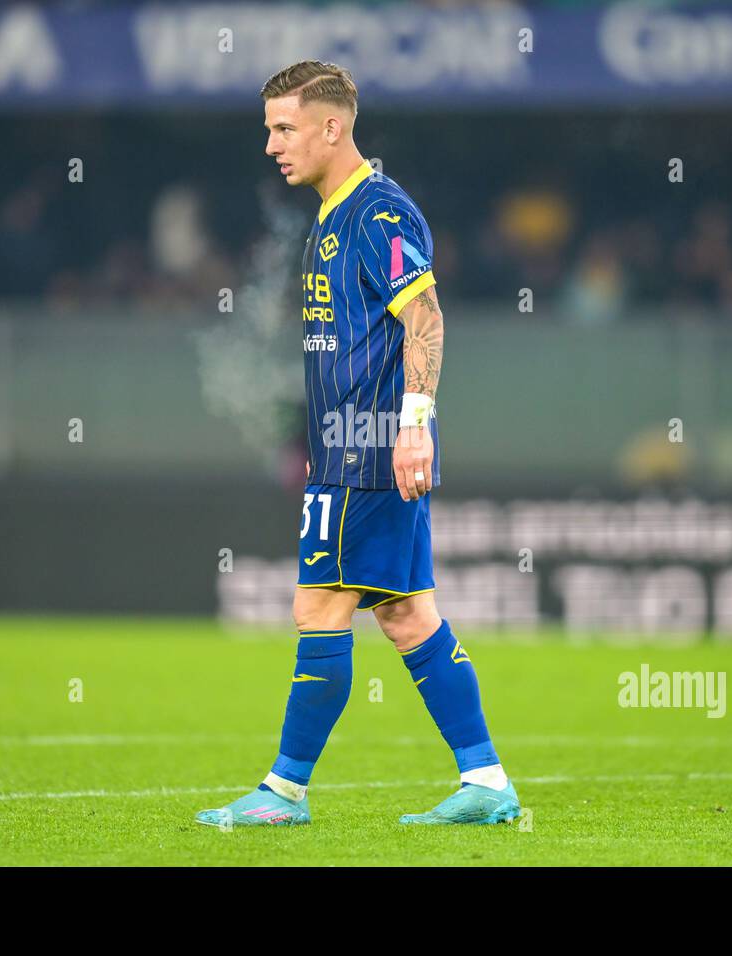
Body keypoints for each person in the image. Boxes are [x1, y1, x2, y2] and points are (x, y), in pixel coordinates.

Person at [195, 60, 519, 828]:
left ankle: (283, 794)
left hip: (366, 452)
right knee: (408, 617)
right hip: (351, 449)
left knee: (319, 606)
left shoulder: (377, 215)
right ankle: (486, 781)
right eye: (268, 129)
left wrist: (412, 427)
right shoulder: (334, 215)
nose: (272, 145)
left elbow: (427, 317)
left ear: (331, 126)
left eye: (284, 128)